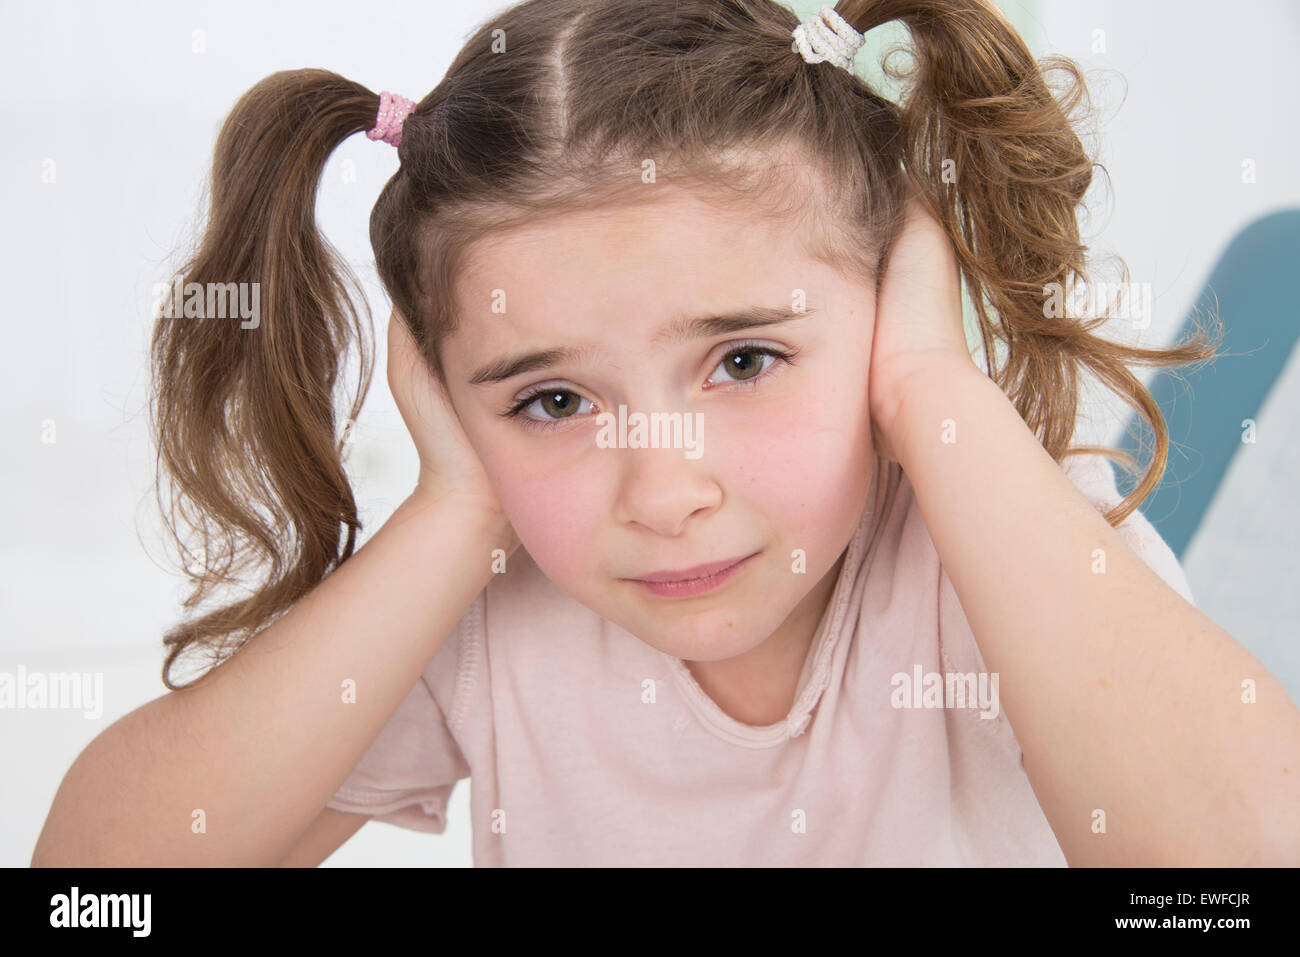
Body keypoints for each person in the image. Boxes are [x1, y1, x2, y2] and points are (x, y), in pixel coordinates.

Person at [31, 0, 1299, 867]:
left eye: (744, 360)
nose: (663, 490)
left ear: (891, 301)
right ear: (450, 392)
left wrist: (929, 383)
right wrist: (454, 516)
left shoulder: (1001, 544)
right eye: (552, 401)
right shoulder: (488, 614)